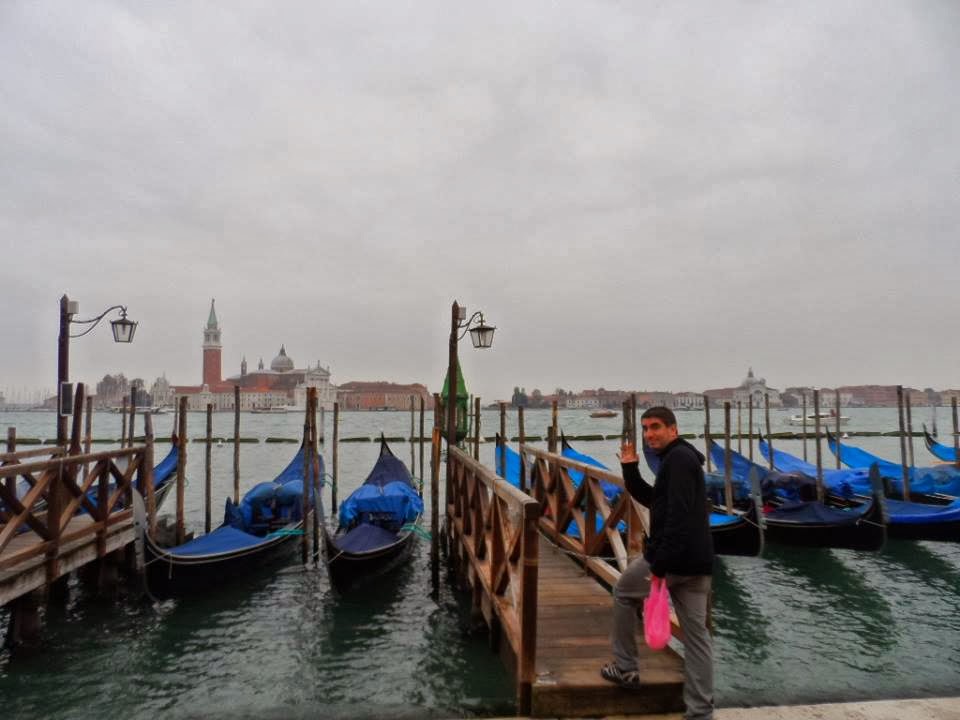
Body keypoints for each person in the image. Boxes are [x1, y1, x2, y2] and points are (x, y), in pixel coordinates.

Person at [600, 406, 714, 720]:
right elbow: (655, 500)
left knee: (623, 593)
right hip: (698, 562)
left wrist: (660, 566)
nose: (650, 434)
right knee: (698, 639)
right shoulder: (682, 459)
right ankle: (701, 712)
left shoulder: (676, 461)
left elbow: (675, 518)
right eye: (646, 428)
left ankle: (625, 668)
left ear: (673, 430)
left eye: (656, 427)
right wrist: (630, 469)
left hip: (671, 560)